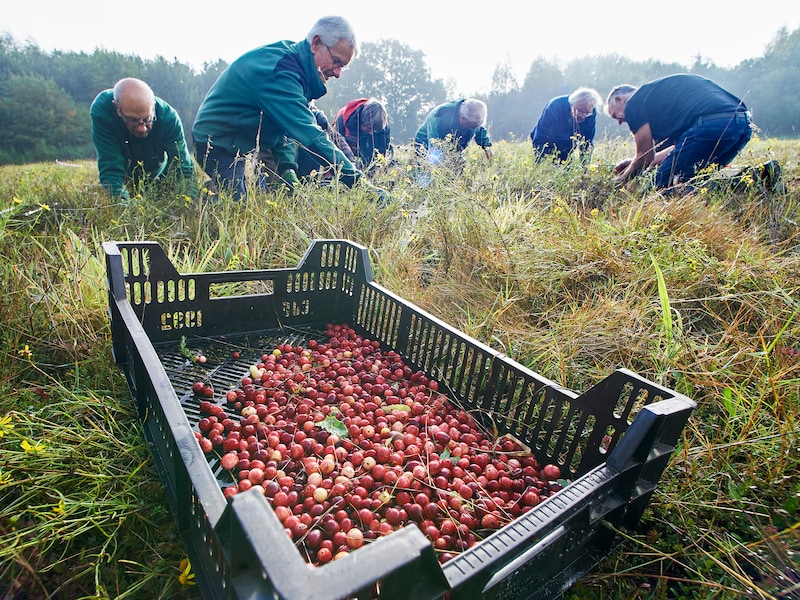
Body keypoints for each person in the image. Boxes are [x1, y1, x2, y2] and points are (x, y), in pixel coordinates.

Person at [192, 16, 369, 200]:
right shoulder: (281, 72)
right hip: (216, 141)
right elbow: (310, 134)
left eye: (343, 67)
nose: (338, 73)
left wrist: (287, 169)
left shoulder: (299, 67)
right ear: (316, 43)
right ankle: (205, 199)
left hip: (241, 141)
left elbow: (283, 129)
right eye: (337, 62)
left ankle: (218, 189)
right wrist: (361, 185)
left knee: (267, 195)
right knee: (238, 207)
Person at [606, 73, 753, 190]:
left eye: (614, 115)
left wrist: (619, 181)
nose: (619, 122)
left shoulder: (633, 103)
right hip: (743, 125)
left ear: (619, 99)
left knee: (658, 188)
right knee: (695, 180)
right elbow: (678, 149)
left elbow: (645, 157)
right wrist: (634, 162)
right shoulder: (658, 97)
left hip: (712, 124)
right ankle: (755, 180)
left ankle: (746, 183)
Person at [90, 77, 199, 201]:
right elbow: (111, 166)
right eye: (133, 120)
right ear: (117, 109)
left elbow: (183, 168)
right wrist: (123, 209)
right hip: (126, 175)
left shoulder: (168, 117)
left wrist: (190, 204)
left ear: (153, 106)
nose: (142, 128)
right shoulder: (103, 111)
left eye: (147, 119)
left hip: (160, 175)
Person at [530, 87, 603, 162]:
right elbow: (540, 138)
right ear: (572, 105)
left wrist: (585, 170)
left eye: (587, 113)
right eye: (580, 111)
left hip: (568, 147)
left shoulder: (590, 112)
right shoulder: (555, 106)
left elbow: (587, 143)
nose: (583, 116)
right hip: (549, 144)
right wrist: (542, 164)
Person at [414, 98, 493, 164]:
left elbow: (480, 131)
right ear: (463, 119)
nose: (474, 129)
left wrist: (488, 149)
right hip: (426, 145)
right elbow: (434, 149)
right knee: (426, 174)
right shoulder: (440, 117)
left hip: (453, 147)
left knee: (460, 166)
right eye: (473, 126)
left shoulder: (473, 118)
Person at [333, 98, 392, 170]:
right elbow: (334, 149)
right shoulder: (343, 119)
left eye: (375, 130)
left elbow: (384, 151)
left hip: (367, 153)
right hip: (346, 152)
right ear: (361, 120)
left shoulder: (382, 126)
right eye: (369, 128)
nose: (371, 133)